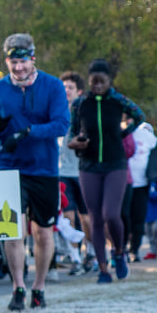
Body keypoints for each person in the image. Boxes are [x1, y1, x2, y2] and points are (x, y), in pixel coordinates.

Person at [0, 33, 71, 310]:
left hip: (44, 168)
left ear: (33, 59)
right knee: (13, 231)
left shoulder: (52, 86)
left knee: (43, 233)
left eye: (23, 62)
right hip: (9, 167)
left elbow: (62, 124)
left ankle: (39, 287)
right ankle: (17, 286)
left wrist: (29, 132)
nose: (18, 68)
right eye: (13, 63)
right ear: (7, 61)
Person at [68, 60, 148, 283]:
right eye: (93, 82)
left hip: (115, 163)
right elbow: (72, 131)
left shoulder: (118, 100)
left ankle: (119, 252)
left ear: (109, 81)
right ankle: (103, 269)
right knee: (95, 218)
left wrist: (124, 133)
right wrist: (76, 141)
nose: (97, 86)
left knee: (111, 214)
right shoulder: (80, 104)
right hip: (89, 165)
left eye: (101, 82)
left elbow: (139, 116)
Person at [57, 73, 93, 274]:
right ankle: (75, 258)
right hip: (62, 172)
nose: (66, 91)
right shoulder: (56, 111)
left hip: (82, 170)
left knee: (86, 218)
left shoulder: (83, 112)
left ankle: (91, 253)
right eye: (63, 87)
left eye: (70, 87)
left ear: (78, 91)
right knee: (68, 217)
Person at [125, 119, 157, 264]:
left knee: (138, 219)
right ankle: (123, 248)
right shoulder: (123, 133)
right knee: (124, 217)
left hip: (142, 184)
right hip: (123, 183)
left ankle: (134, 250)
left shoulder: (146, 136)